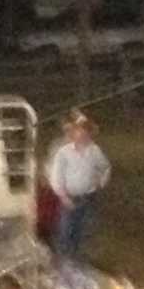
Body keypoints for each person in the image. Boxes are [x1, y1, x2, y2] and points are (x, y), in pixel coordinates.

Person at [45, 113, 110, 272]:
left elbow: (105, 167)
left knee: (84, 229)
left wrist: (100, 182)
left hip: (88, 196)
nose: (81, 133)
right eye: (78, 130)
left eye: (84, 131)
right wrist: (62, 195)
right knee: (66, 229)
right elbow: (54, 174)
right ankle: (64, 262)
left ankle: (80, 261)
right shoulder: (61, 149)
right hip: (67, 195)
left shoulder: (93, 150)